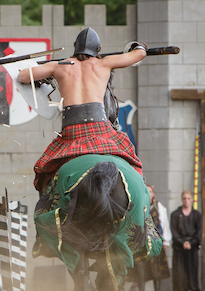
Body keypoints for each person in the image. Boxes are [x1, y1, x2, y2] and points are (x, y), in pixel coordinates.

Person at [17, 27, 147, 193]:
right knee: (131, 157)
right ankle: (141, 201)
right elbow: (139, 55)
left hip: (72, 132)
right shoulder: (104, 63)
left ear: (74, 46)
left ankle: (46, 206)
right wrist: (138, 46)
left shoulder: (59, 66)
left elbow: (23, 76)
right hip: (101, 129)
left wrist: (44, 75)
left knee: (45, 167)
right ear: (98, 50)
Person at [170, 190, 202, 291]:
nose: (186, 201)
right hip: (179, 247)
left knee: (193, 271)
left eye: (188, 198)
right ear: (181, 199)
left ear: (192, 199)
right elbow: (174, 231)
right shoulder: (175, 214)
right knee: (179, 271)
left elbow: (199, 232)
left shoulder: (197, 215)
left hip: (192, 248)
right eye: (184, 198)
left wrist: (191, 243)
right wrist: (182, 242)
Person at [146, 184, 172, 291]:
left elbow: (164, 223)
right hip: (143, 243)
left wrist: (166, 240)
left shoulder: (159, 207)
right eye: (146, 191)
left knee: (157, 270)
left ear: (153, 194)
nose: (148, 194)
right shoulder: (140, 206)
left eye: (150, 191)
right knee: (142, 269)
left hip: (156, 242)